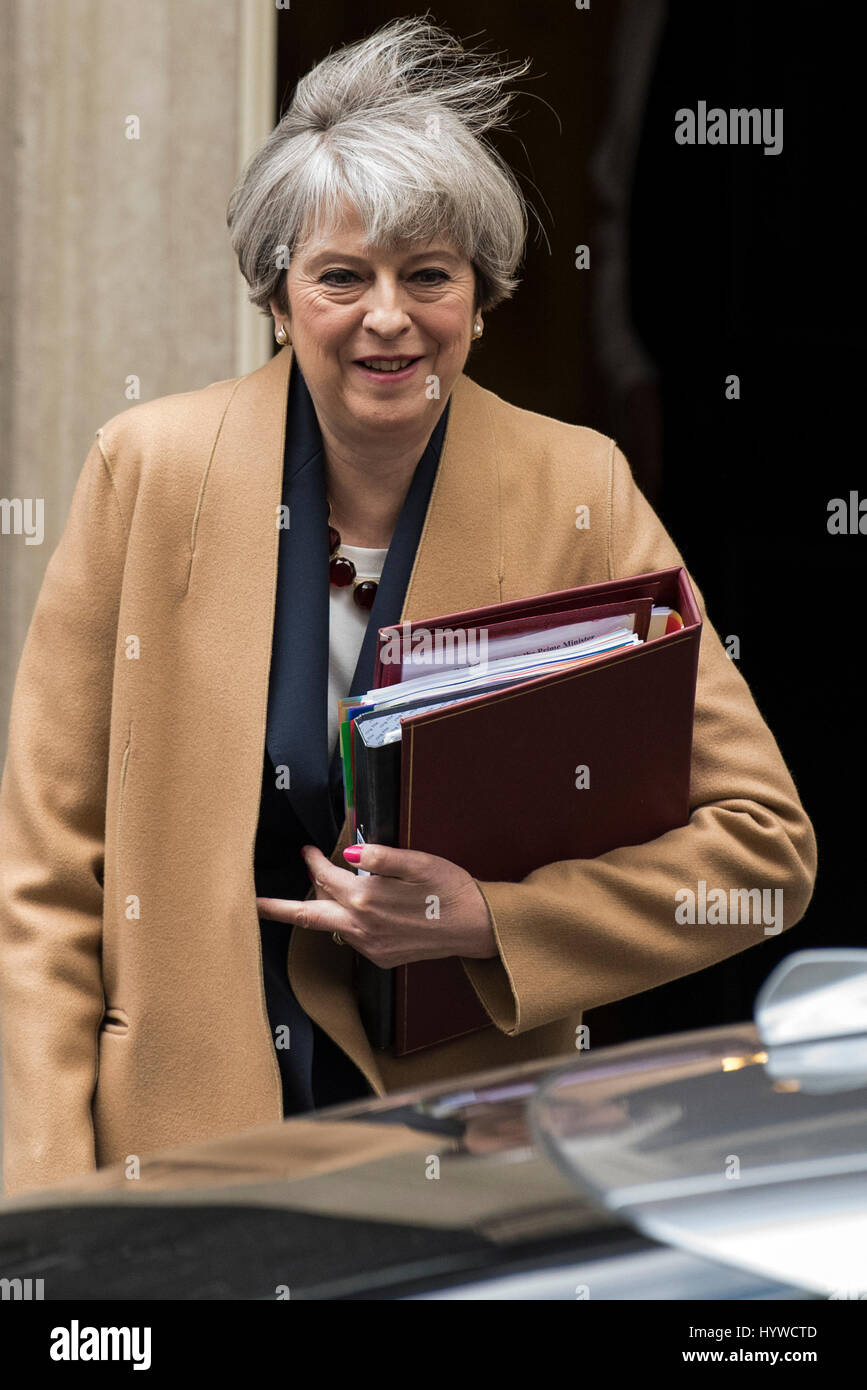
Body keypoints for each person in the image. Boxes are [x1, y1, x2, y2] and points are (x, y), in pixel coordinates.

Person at [0, 16, 816, 1197]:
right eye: (342, 276)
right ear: (278, 296)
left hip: (466, 1168)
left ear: (480, 298)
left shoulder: (579, 486)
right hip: (179, 1167)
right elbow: (43, 881)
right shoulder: (146, 468)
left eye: (429, 274)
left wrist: (493, 919)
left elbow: (766, 851)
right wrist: (44, 1208)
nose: (389, 316)